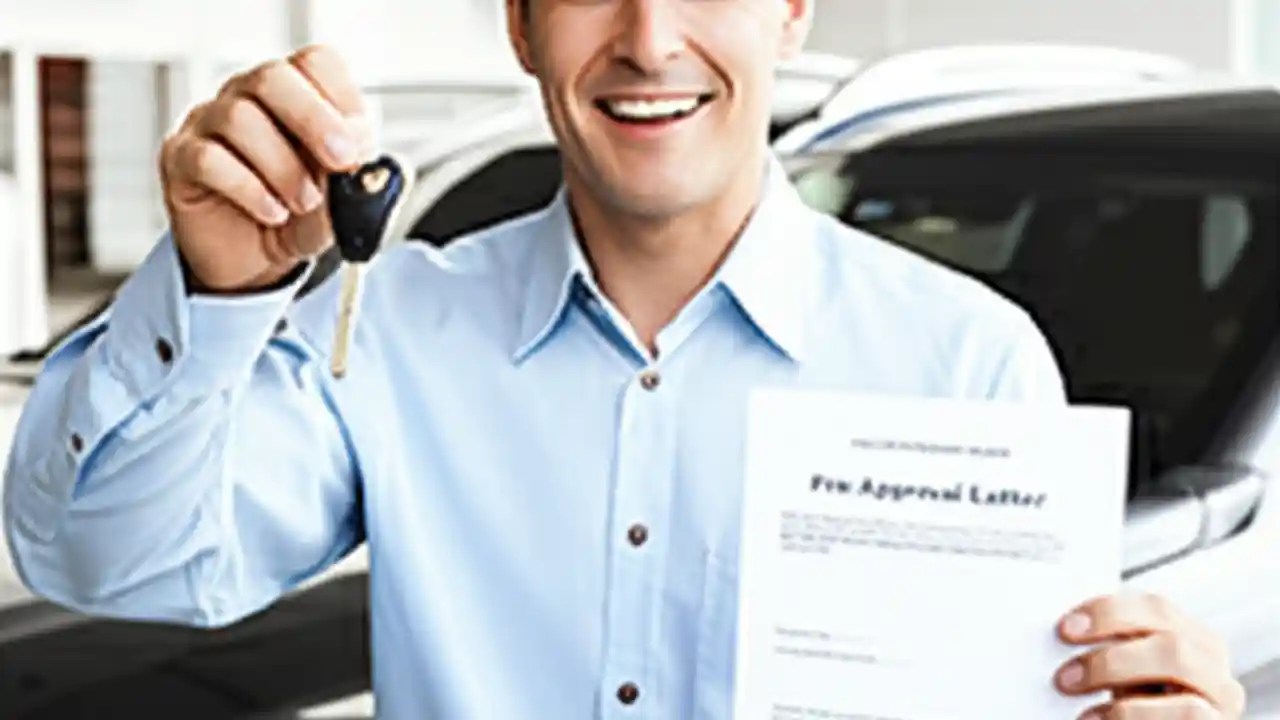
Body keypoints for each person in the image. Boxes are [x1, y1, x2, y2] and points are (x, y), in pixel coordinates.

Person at [2, 1, 1246, 718]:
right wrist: (220, 291)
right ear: (521, 23)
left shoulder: (969, 363)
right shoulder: (388, 332)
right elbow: (109, 561)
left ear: (792, 7)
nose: (649, 38)